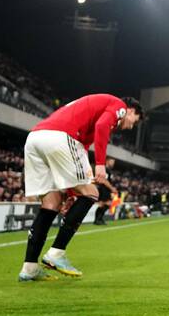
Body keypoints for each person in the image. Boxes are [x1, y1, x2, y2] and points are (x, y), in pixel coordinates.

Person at [19, 94, 141, 280]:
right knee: (91, 193)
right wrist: (100, 164)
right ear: (131, 110)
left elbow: (80, 151)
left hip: (36, 139)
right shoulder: (119, 105)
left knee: (51, 203)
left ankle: (29, 267)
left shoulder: (91, 113)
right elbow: (102, 126)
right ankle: (56, 253)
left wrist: (71, 192)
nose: (131, 126)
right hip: (61, 137)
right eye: (134, 121)